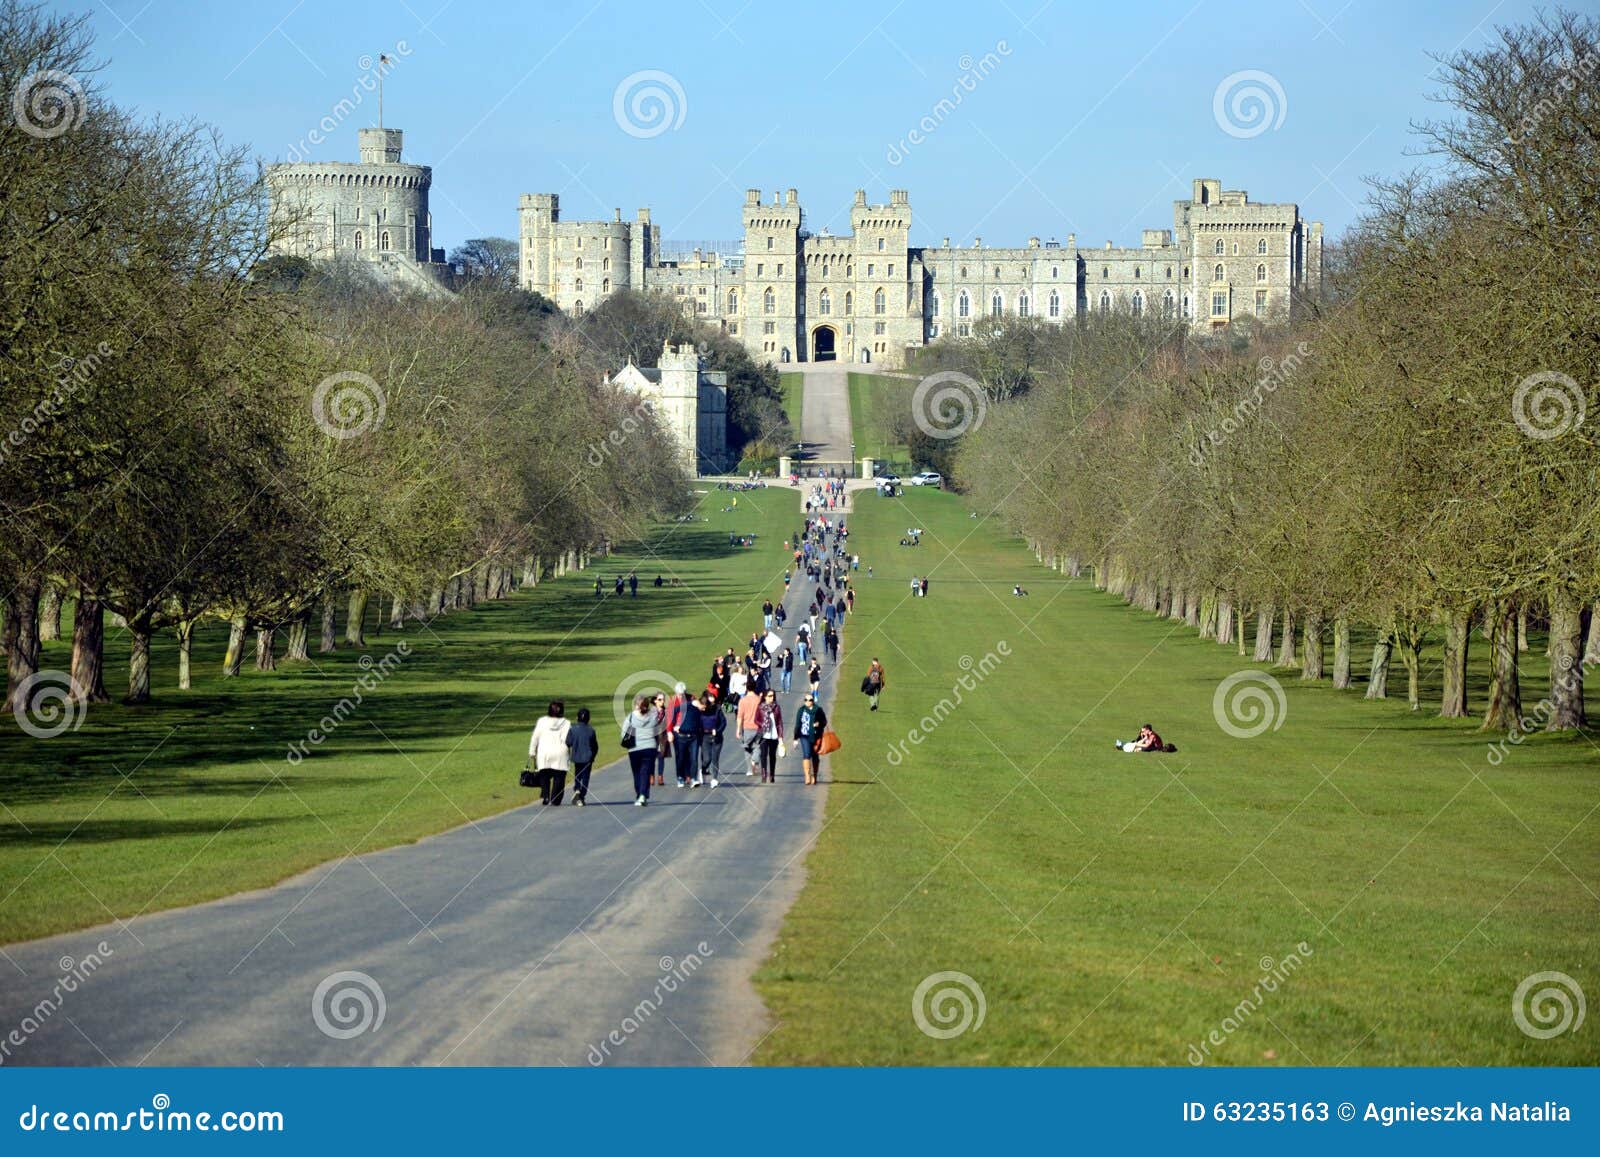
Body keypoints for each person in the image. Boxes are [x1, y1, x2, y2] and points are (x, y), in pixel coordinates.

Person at [529, 701, 572, 806]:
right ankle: (556, 798)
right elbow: (568, 739)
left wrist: (532, 751)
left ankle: (546, 796)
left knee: (544, 776)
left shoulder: (542, 721)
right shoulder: (567, 723)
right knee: (559, 777)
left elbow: (535, 737)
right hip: (561, 753)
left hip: (544, 752)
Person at [624, 694, 661, 805]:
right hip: (650, 747)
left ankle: (640, 794)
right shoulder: (653, 717)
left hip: (634, 748)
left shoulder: (631, 717)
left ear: (636, 705)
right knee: (645, 772)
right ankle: (642, 794)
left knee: (636, 772)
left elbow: (624, 733)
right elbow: (656, 731)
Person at [792, 692, 828, 786]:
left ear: (813, 701)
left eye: (810, 700)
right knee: (806, 754)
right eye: (806, 700)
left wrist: (818, 724)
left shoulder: (818, 710)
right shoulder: (801, 710)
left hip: (816, 736)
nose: (808, 701)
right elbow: (798, 725)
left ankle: (814, 776)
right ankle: (807, 775)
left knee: (815, 756)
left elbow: (824, 721)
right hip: (804, 736)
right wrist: (795, 738)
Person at [670, 684, 702, 787]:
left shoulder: (691, 698)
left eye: (682, 694)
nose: (681, 696)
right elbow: (670, 716)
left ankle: (693, 778)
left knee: (693, 757)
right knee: (680, 756)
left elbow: (698, 712)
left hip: (693, 733)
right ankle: (680, 777)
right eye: (679, 694)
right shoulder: (673, 701)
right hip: (679, 734)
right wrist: (670, 730)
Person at [566, 707, 598, 805]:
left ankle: (577, 788)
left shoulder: (573, 729)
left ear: (577, 718)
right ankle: (581, 796)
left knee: (578, 774)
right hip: (588, 758)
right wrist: (593, 756)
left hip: (577, 757)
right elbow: (595, 746)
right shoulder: (591, 730)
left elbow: (568, 742)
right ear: (588, 718)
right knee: (586, 777)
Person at [755, 689, 783, 783]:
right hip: (764, 735)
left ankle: (772, 775)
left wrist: (780, 736)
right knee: (763, 755)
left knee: (772, 755)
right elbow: (756, 719)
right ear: (765, 697)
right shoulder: (760, 707)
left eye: (773, 696)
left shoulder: (777, 707)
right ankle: (764, 774)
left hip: (774, 735)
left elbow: (779, 722)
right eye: (770, 696)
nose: (772, 698)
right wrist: (762, 724)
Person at [697, 694, 725, 787]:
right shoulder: (699, 712)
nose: (703, 709)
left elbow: (723, 722)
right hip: (705, 737)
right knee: (707, 759)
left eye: (704, 707)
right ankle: (703, 770)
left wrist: (717, 731)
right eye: (701, 707)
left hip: (717, 737)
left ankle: (714, 779)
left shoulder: (717, 710)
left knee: (715, 758)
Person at [737, 687, 762, 775]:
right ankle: (755, 759)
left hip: (747, 727)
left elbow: (740, 716)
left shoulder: (743, 700)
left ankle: (749, 770)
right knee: (757, 746)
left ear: (747, 688)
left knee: (747, 748)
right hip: (758, 727)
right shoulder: (759, 699)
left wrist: (738, 729)